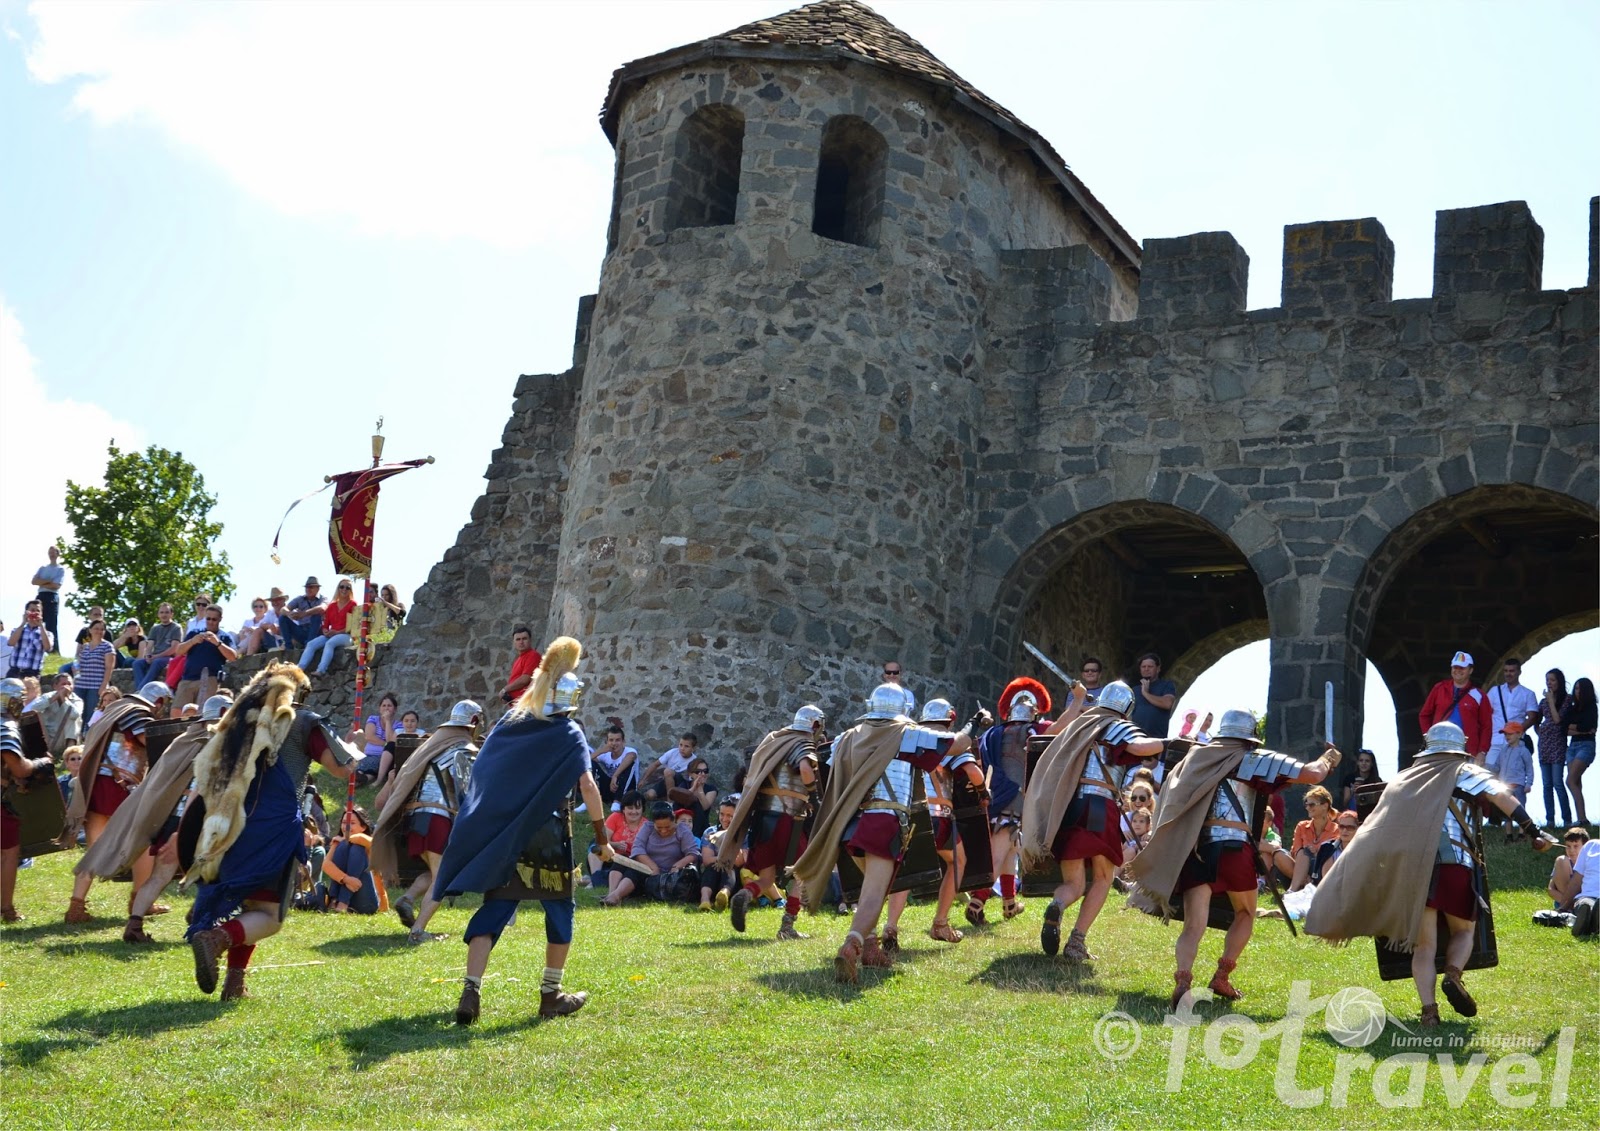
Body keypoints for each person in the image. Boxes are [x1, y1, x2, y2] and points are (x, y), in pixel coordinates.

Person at [1307, 722, 1556, 1026]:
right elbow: (1502, 797)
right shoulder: (1464, 771)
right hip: (1453, 862)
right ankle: (1453, 975)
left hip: (1413, 871)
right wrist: (1533, 831)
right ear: (1458, 748)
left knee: (1424, 945)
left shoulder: (1404, 779)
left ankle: (1429, 1012)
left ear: (1427, 747)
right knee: (1465, 930)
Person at [430, 636, 612, 1023]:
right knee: (560, 910)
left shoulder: (509, 725)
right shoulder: (568, 732)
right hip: (548, 839)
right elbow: (589, 786)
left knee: (495, 909)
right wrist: (602, 838)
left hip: (510, 837)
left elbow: (484, 772)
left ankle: (471, 992)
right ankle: (551, 996)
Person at [1128, 708, 1341, 1007]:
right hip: (1235, 849)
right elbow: (1314, 774)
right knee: (1245, 914)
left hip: (1198, 850)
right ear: (1250, 738)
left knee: (1193, 925)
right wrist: (1329, 758)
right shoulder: (1253, 760)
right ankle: (1221, 977)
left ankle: (1183, 980)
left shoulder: (1195, 760)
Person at [791, 684, 988, 983]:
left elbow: (828, 768)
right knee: (873, 894)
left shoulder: (849, 736)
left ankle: (871, 948)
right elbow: (958, 744)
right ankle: (852, 944)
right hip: (883, 821)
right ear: (903, 709)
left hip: (851, 823)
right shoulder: (904, 733)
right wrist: (975, 721)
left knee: (876, 889)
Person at [184, 663, 359, 1000]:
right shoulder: (303, 722)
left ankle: (235, 984)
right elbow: (341, 769)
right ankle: (216, 939)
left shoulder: (234, 723)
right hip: (272, 828)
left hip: (224, 824)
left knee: (250, 905)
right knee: (269, 915)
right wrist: (353, 748)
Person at [1021, 680, 1175, 961]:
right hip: (1099, 807)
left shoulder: (1079, 726)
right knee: (1104, 877)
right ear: (1127, 708)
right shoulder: (1113, 724)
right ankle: (1076, 941)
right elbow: (1140, 748)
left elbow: (1046, 740)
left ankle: (1058, 903)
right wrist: (1168, 742)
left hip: (1069, 808)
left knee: (1075, 883)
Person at [75, 696, 225, 943]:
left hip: (172, 821)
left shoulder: (184, 740)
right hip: (194, 822)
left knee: (161, 876)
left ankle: (134, 925)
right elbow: (199, 790)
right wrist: (181, 832)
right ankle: (200, 921)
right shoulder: (216, 746)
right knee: (216, 873)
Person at [969, 677, 1081, 925]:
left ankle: (1009, 904)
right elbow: (1062, 725)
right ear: (1034, 712)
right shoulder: (1032, 732)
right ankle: (977, 903)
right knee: (999, 854)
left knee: (1009, 849)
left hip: (994, 797)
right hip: (1012, 799)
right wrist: (1079, 700)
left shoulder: (993, 733)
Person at [61, 680, 173, 922]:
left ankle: (76, 908)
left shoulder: (117, 709)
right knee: (144, 843)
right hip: (117, 786)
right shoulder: (137, 713)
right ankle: (141, 902)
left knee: (94, 850)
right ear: (159, 701)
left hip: (96, 784)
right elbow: (150, 741)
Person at [371, 699, 480, 943]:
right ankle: (418, 931)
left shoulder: (434, 747)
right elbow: (470, 792)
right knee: (442, 878)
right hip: (436, 818)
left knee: (434, 872)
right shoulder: (461, 750)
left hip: (416, 820)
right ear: (473, 723)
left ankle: (407, 899)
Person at [882, 699, 984, 947]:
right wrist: (983, 792)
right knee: (957, 861)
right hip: (937, 818)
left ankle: (890, 928)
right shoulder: (948, 741)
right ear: (950, 718)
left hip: (906, 815)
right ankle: (940, 923)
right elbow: (974, 774)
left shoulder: (909, 737)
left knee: (905, 872)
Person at [718, 705, 824, 939]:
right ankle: (787, 927)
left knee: (766, 878)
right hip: (788, 821)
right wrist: (814, 795)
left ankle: (744, 895)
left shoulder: (775, 742)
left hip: (763, 819)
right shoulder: (801, 743)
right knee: (803, 873)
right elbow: (806, 768)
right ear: (815, 725)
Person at [2, 679, 56, 921]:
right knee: (9, 852)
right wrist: (41, 764)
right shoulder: (5, 726)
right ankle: (6, 909)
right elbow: (18, 766)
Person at [606, 800, 698, 904]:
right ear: (653, 823)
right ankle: (612, 894)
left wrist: (677, 866)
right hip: (648, 870)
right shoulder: (647, 827)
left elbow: (693, 853)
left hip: (670, 876)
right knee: (621, 861)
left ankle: (616, 895)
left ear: (674, 819)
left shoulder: (682, 830)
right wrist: (653, 867)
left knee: (635, 873)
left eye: (667, 827)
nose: (663, 830)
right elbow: (637, 848)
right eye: (659, 827)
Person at [1418, 651, 1492, 761]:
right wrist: (1428, 736)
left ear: (1470, 670)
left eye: (1462, 668)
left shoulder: (1479, 695)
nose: (1457, 670)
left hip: (1467, 752)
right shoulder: (1439, 688)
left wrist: (1482, 752)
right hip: (1439, 749)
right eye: (1455, 667)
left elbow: (1487, 726)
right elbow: (1424, 715)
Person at [172, 607, 238, 713]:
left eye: (214, 619)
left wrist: (217, 643)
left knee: (205, 713)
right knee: (177, 711)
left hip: (210, 679)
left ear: (220, 619)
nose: (211, 622)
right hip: (188, 678)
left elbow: (233, 657)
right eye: (208, 619)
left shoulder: (225, 637)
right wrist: (192, 641)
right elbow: (179, 651)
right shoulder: (194, 633)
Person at [322, 806, 387, 914]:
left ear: (363, 827)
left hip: (368, 902)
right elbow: (326, 865)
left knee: (357, 848)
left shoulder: (370, 843)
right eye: (344, 822)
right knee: (342, 846)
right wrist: (346, 879)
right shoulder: (339, 843)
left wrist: (346, 839)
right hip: (351, 893)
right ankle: (336, 900)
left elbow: (364, 840)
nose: (346, 827)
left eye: (352, 823)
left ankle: (342, 902)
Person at [587, 791, 644, 888]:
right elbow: (603, 840)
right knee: (596, 847)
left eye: (638, 808)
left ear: (642, 809)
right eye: (630, 808)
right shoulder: (615, 817)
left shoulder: (646, 825)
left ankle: (591, 880)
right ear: (623, 809)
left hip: (627, 861)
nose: (634, 812)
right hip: (608, 857)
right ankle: (595, 880)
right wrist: (615, 844)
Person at [297, 578, 355, 675]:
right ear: (338, 588)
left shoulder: (353, 604)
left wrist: (337, 632)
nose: (344, 589)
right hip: (331, 634)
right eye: (342, 587)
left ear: (350, 590)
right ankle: (299, 669)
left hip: (346, 636)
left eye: (347, 587)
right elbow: (326, 624)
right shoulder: (332, 606)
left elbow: (353, 626)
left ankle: (321, 670)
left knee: (330, 643)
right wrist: (325, 631)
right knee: (311, 644)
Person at [1538, 669, 1572, 828]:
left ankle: (1567, 819)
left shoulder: (1566, 699)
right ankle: (1549, 820)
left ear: (1559, 681)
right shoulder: (1542, 702)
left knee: (1558, 782)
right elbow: (1537, 720)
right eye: (1547, 680)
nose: (1549, 683)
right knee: (1546, 785)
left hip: (1558, 744)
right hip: (1544, 745)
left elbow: (1558, 719)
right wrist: (1541, 732)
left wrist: (1551, 701)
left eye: (1552, 680)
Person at [1562, 677, 1596, 827]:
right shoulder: (1572, 708)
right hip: (1572, 747)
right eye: (1576, 688)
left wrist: (1574, 728)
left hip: (1586, 746)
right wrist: (1580, 729)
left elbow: (1589, 725)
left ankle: (1583, 819)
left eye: (1580, 689)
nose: (1578, 692)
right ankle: (1581, 818)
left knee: (1570, 780)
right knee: (1576, 782)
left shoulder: (1592, 707)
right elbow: (1564, 728)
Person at [698, 798, 741, 911]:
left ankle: (724, 895)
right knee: (712, 868)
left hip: (734, 876)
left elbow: (740, 861)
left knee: (729, 867)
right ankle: (705, 900)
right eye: (722, 814)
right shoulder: (710, 832)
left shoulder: (743, 834)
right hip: (713, 872)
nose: (725, 819)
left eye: (729, 815)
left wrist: (730, 835)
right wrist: (723, 858)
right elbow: (707, 860)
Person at [132, 603, 183, 688]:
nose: (164, 615)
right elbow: (150, 645)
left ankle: (141, 690)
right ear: (158, 614)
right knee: (137, 663)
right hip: (155, 656)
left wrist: (156, 656)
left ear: (171, 614)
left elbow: (174, 649)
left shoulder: (176, 628)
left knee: (157, 662)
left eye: (166, 612)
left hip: (169, 658)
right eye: (162, 612)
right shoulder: (155, 628)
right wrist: (148, 655)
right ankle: (141, 688)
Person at [638, 733, 699, 802]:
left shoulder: (694, 761)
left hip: (682, 784)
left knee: (668, 772)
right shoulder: (673, 752)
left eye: (686, 746)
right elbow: (655, 764)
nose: (682, 748)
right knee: (650, 795)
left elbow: (693, 780)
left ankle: (670, 802)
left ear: (693, 748)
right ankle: (664, 801)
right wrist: (643, 779)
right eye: (680, 745)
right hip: (667, 781)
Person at [33, 673, 83, 758]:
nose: (66, 687)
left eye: (69, 684)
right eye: (63, 684)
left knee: (72, 718)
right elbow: (33, 709)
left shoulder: (77, 700)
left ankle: (70, 753)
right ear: (55, 686)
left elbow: (74, 715)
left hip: (66, 738)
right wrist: (54, 698)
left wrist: (64, 699)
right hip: (47, 738)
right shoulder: (47, 696)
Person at [73, 619, 117, 713]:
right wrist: (75, 673)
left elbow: (109, 667)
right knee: (77, 714)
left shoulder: (107, 646)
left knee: (91, 713)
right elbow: (77, 662)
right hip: (80, 684)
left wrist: (104, 685)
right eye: (96, 628)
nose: (99, 631)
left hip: (96, 686)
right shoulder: (84, 646)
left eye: (102, 629)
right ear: (90, 630)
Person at [1131, 653, 1178, 738]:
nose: (1146, 669)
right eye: (1143, 667)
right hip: (1135, 738)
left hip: (1157, 739)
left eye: (1150, 666)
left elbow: (1167, 704)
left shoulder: (1166, 685)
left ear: (1158, 669)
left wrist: (1145, 693)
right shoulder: (1134, 690)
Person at [592, 724, 638, 811]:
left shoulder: (630, 751)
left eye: (617, 740)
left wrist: (615, 775)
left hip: (627, 790)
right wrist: (601, 751)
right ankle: (591, 799)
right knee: (591, 765)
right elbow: (586, 761)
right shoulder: (605, 754)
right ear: (607, 742)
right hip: (610, 787)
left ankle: (617, 802)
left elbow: (631, 757)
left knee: (629, 765)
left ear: (623, 742)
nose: (614, 743)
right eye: (611, 740)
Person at [356, 692, 400, 780]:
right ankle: (362, 778)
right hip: (369, 754)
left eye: (389, 706)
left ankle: (359, 776)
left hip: (385, 757)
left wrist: (387, 721)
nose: (386, 708)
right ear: (380, 709)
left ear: (394, 709)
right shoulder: (373, 719)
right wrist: (385, 745)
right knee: (370, 766)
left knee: (373, 763)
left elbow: (390, 740)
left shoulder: (399, 725)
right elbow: (369, 736)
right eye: (383, 705)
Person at [278, 578, 326, 656]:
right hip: (301, 630)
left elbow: (322, 608)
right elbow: (283, 609)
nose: (308, 589)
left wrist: (304, 614)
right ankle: (288, 647)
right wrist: (289, 614)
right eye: (307, 587)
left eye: (311, 587)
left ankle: (309, 644)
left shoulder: (323, 599)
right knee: (282, 618)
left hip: (316, 631)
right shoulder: (299, 599)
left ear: (317, 589)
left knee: (316, 616)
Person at [1565, 833, 1600, 937]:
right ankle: (1589, 919)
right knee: (1585, 904)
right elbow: (1576, 881)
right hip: (1587, 896)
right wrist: (1563, 907)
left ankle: (1589, 925)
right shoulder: (1590, 846)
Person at [6, 600, 52, 679]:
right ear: (26, 612)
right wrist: (23, 622)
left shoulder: (47, 633)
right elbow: (11, 643)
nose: (34, 613)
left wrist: (41, 625)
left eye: (38, 611)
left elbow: (48, 648)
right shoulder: (17, 630)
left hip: (32, 674)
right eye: (32, 610)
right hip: (14, 671)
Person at [30, 546, 65, 652]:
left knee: (51, 624)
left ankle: (53, 650)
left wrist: (42, 582)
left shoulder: (60, 569)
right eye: (50, 552)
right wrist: (48, 581)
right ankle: (36, 648)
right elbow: (34, 581)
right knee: (36, 621)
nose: (51, 554)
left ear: (58, 554)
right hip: (40, 597)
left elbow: (56, 585)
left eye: (54, 552)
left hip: (52, 597)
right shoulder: (43, 568)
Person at [500, 625, 541, 705]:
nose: (521, 642)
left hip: (526, 706)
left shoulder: (533, 655)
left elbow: (525, 679)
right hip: (517, 706)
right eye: (518, 639)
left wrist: (505, 690)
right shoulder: (518, 660)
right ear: (514, 642)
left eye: (524, 639)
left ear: (530, 640)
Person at [1549, 828, 1588, 911]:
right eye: (1568, 846)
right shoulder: (1563, 863)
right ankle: (1568, 908)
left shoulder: (1589, 862)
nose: (1571, 850)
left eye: (1576, 846)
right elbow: (1551, 890)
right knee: (1561, 859)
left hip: (1584, 901)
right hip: (1564, 902)